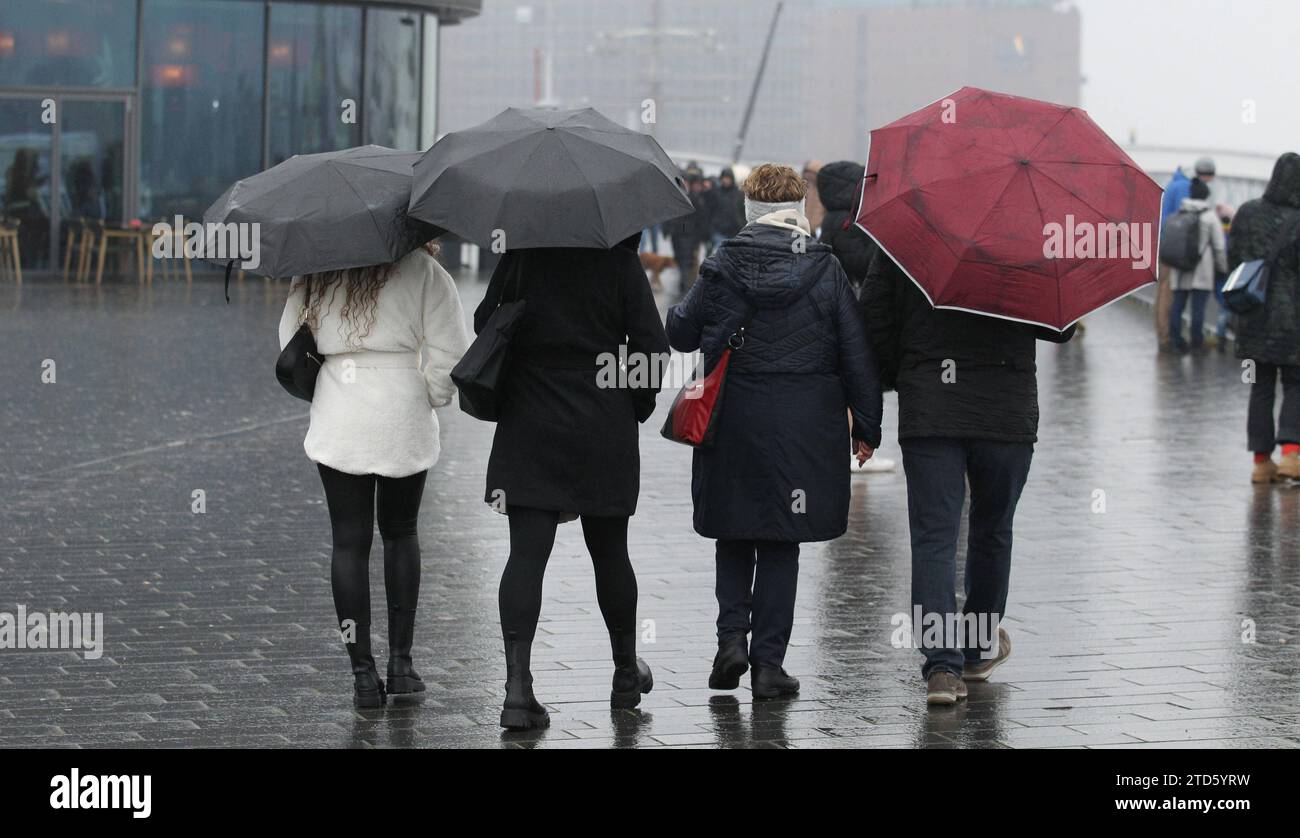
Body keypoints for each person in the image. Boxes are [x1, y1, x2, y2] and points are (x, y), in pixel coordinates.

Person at [666, 164, 883, 699]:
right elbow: (858, 354)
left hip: (733, 420)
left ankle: (730, 642)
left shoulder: (721, 265)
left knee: (735, 530)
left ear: (749, 211)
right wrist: (869, 425)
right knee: (782, 541)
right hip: (804, 426)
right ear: (796, 210)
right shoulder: (826, 270)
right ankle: (768, 665)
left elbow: (680, 332)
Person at [860, 249, 1075, 706]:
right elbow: (1060, 327)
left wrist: (903, 376)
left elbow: (874, 320)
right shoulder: (1029, 239)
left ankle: (941, 667)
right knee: (992, 530)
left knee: (934, 537)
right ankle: (977, 648)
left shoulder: (906, 235)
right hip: (1006, 412)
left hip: (931, 410)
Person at [477, 233, 668, 730]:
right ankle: (626, 674)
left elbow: (484, 323)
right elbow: (652, 349)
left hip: (530, 417)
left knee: (526, 554)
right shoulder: (621, 265)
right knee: (610, 553)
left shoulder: (521, 255)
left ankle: (518, 690)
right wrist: (635, 406)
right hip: (602, 423)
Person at [277, 242, 470, 708]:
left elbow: (288, 338)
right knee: (401, 533)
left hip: (340, 407)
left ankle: (363, 676)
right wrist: (430, 393)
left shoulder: (316, 269)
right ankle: (401, 666)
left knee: (349, 541)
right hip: (401, 404)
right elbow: (452, 348)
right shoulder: (423, 269)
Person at [816, 159, 897, 475]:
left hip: (835, 312)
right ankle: (856, 449)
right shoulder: (848, 223)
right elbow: (861, 265)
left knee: (846, 384)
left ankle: (853, 447)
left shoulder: (831, 221)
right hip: (852, 313)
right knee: (855, 385)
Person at [1227, 152, 1300, 484]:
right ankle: (1291, 455)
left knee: (1260, 386)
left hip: (1252, 316)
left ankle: (1261, 462)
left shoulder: (1247, 213)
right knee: (1296, 384)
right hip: (1292, 319)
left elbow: (1234, 259)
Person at [1157, 159, 1214, 351]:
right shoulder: (1185, 187)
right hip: (1176, 253)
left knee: (1166, 295)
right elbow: (1188, 220)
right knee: (1169, 296)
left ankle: (1167, 337)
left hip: (1166, 247)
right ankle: (1169, 339)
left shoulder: (1174, 183)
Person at [1167, 178, 1227, 352]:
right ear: (1206, 196)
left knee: (1177, 307)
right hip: (1202, 271)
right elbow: (1219, 247)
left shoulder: (1179, 213)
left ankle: (1176, 342)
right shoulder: (1210, 217)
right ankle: (1196, 344)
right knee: (1198, 310)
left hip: (1179, 269)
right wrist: (1222, 269)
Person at [706, 167, 746, 252]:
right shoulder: (716, 192)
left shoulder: (739, 195)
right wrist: (710, 229)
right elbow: (709, 211)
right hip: (718, 231)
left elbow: (742, 212)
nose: (725, 180)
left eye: (728, 178)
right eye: (724, 178)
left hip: (734, 232)